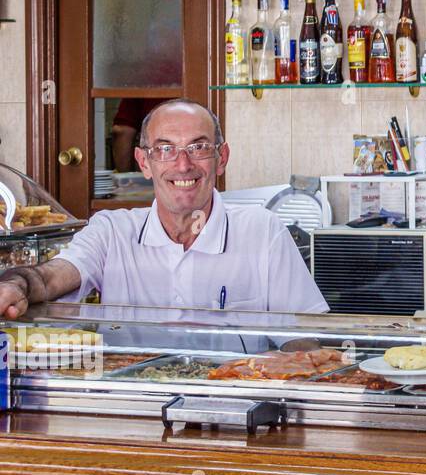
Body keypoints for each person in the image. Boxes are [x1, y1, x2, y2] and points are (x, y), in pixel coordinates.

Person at [0, 99, 327, 320]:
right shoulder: (112, 231)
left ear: (221, 158)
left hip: (234, 406)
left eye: (198, 147)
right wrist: (17, 284)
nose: (183, 165)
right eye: (165, 149)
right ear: (144, 162)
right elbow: (55, 276)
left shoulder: (262, 229)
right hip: (133, 408)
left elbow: (303, 334)